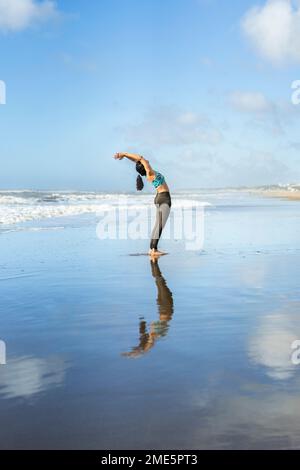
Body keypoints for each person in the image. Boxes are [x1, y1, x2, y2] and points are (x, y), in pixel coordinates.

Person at [114, 152, 171, 257]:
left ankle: (152, 249)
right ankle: (153, 250)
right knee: (159, 226)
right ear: (145, 166)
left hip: (160, 197)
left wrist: (126, 157)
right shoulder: (150, 172)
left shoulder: (149, 172)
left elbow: (137, 160)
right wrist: (124, 154)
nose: (146, 161)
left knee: (158, 225)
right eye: (145, 162)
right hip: (164, 198)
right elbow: (140, 158)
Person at [122, 258, 174, 358]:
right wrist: (141, 349)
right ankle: (153, 260)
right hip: (165, 307)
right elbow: (150, 339)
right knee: (159, 279)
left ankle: (153, 261)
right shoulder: (158, 333)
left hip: (164, 307)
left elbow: (147, 337)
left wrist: (140, 350)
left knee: (159, 279)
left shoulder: (157, 332)